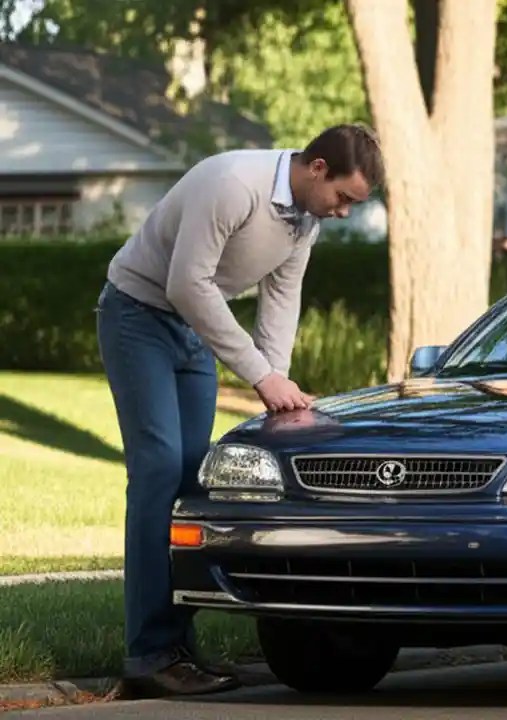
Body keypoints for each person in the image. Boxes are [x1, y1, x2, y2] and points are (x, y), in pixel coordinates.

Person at [95, 124, 383, 698]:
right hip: (138, 315)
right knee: (156, 470)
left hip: (193, 330)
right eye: (344, 198)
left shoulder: (304, 220)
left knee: (192, 478)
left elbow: (282, 299)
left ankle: (179, 647)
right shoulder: (233, 182)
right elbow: (185, 283)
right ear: (317, 168)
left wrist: (273, 381)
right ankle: (148, 654)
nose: (345, 212)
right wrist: (260, 373)